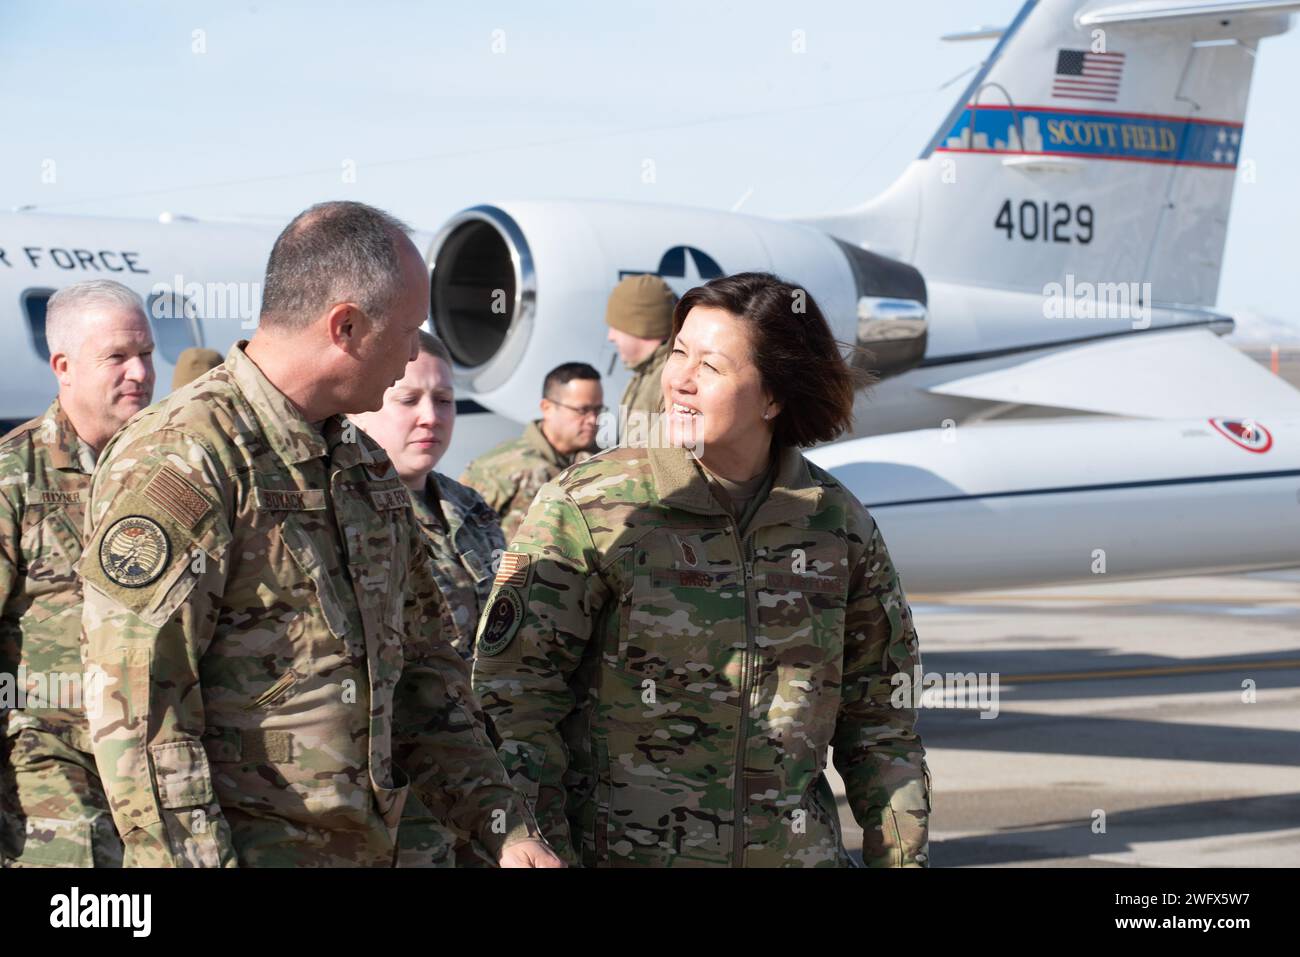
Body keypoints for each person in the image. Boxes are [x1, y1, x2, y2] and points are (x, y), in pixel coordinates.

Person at [79, 201, 562, 868]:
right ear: (347, 326)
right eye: (408, 330)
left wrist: (504, 829)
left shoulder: (362, 468)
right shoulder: (186, 458)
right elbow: (142, 717)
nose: (413, 353)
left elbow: (426, 677)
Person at [473, 271, 931, 868]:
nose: (679, 381)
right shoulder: (594, 507)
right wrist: (537, 845)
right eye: (678, 353)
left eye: (710, 367)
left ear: (773, 395)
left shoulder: (837, 527)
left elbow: (881, 724)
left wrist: (902, 859)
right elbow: (514, 702)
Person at [0, 279, 155, 867]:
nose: (139, 372)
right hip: (52, 762)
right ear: (63, 366)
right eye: (116, 357)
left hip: (158, 754)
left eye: (144, 353)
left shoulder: (173, 469)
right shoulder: (15, 479)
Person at [349, 330, 507, 867]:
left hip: (481, 774)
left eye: (444, 400)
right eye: (408, 399)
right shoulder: (346, 512)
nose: (431, 417)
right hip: (399, 787)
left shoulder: (469, 507)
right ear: (366, 407)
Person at [460, 362, 603, 541]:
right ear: (547, 408)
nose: (593, 419)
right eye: (582, 410)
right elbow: (463, 537)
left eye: (598, 409)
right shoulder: (501, 468)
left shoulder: (603, 465)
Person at [605, 274, 675, 429]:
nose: (611, 337)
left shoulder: (669, 380)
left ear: (642, 327)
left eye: (617, 327)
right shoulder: (644, 375)